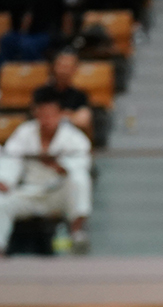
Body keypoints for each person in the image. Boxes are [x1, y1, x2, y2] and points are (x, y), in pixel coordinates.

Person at [0, 86, 93, 254]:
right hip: (30, 192)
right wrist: (5, 180)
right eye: (42, 114)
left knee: (80, 179)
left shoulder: (73, 137)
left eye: (51, 115)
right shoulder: (24, 133)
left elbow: (82, 162)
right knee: (1, 200)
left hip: (58, 193)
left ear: (60, 114)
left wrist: (58, 166)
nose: (46, 119)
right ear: (36, 113)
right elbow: (10, 158)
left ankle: (77, 232)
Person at [46, 49, 92, 136]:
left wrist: (58, 116)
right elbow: (41, 118)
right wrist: (69, 115)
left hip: (71, 138)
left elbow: (83, 121)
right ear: (54, 67)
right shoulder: (42, 93)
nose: (64, 71)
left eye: (67, 67)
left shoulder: (80, 95)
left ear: (74, 69)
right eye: (61, 66)